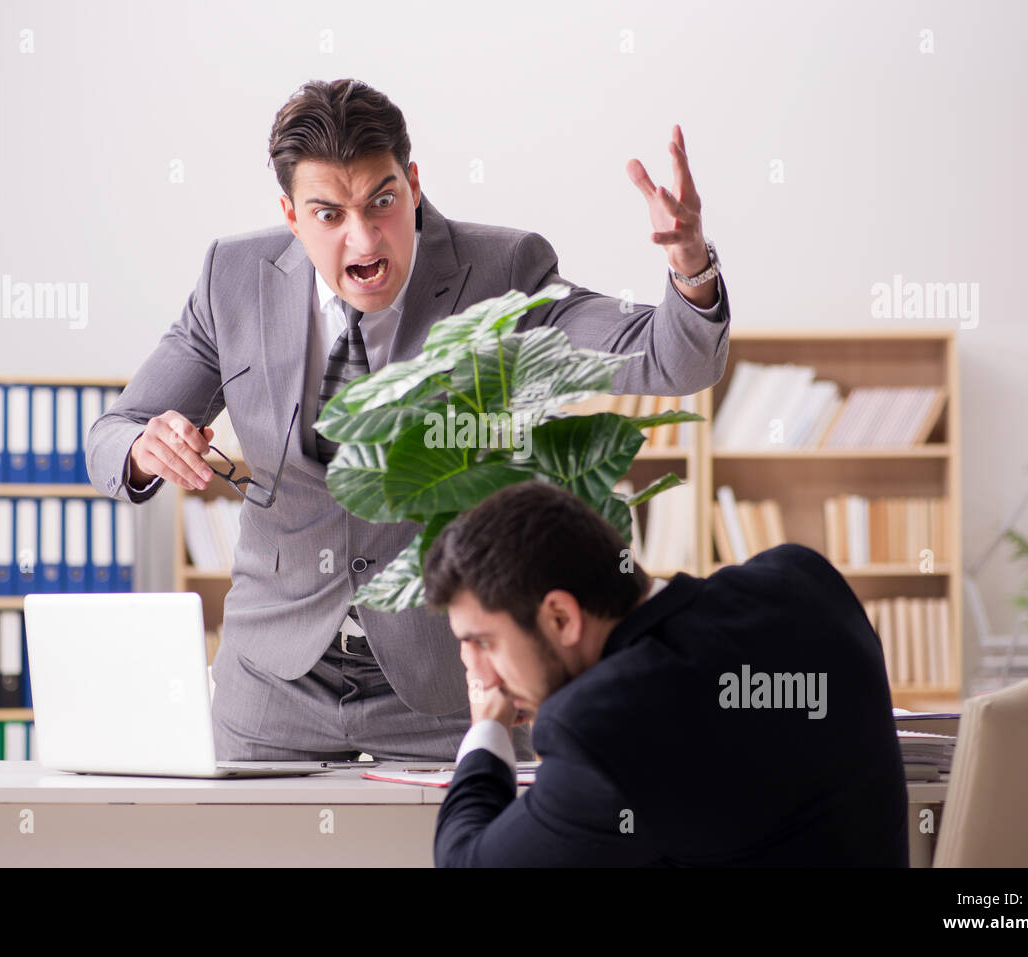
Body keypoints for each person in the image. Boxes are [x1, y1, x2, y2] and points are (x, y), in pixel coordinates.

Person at [84, 78, 732, 762]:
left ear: (413, 183)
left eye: (381, 202)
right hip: (271, 682)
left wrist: (691, 267)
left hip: (448, 681)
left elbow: (665, 360)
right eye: (329, 214)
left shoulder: (499, 271)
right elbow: (112, 431)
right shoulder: (234, 278)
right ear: (291, 214)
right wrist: (143, 448)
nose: (363, 238)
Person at [424, 481, 909, 866]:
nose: (482, 672)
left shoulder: (601, 727)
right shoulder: (802, 581)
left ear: (561, 619)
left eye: (484, 642)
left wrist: (486, 726)